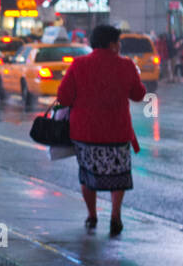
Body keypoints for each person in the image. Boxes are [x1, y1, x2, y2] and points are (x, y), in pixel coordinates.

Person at [56, 23, 145, 236]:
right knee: (119, 175)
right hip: (117, 132)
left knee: (88, 175)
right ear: (113, 44)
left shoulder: (78, 65)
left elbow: (64, 97)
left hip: (86, 133)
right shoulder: (126, 65)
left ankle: (92, 215)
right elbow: (139, 95)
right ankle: (116, 216)